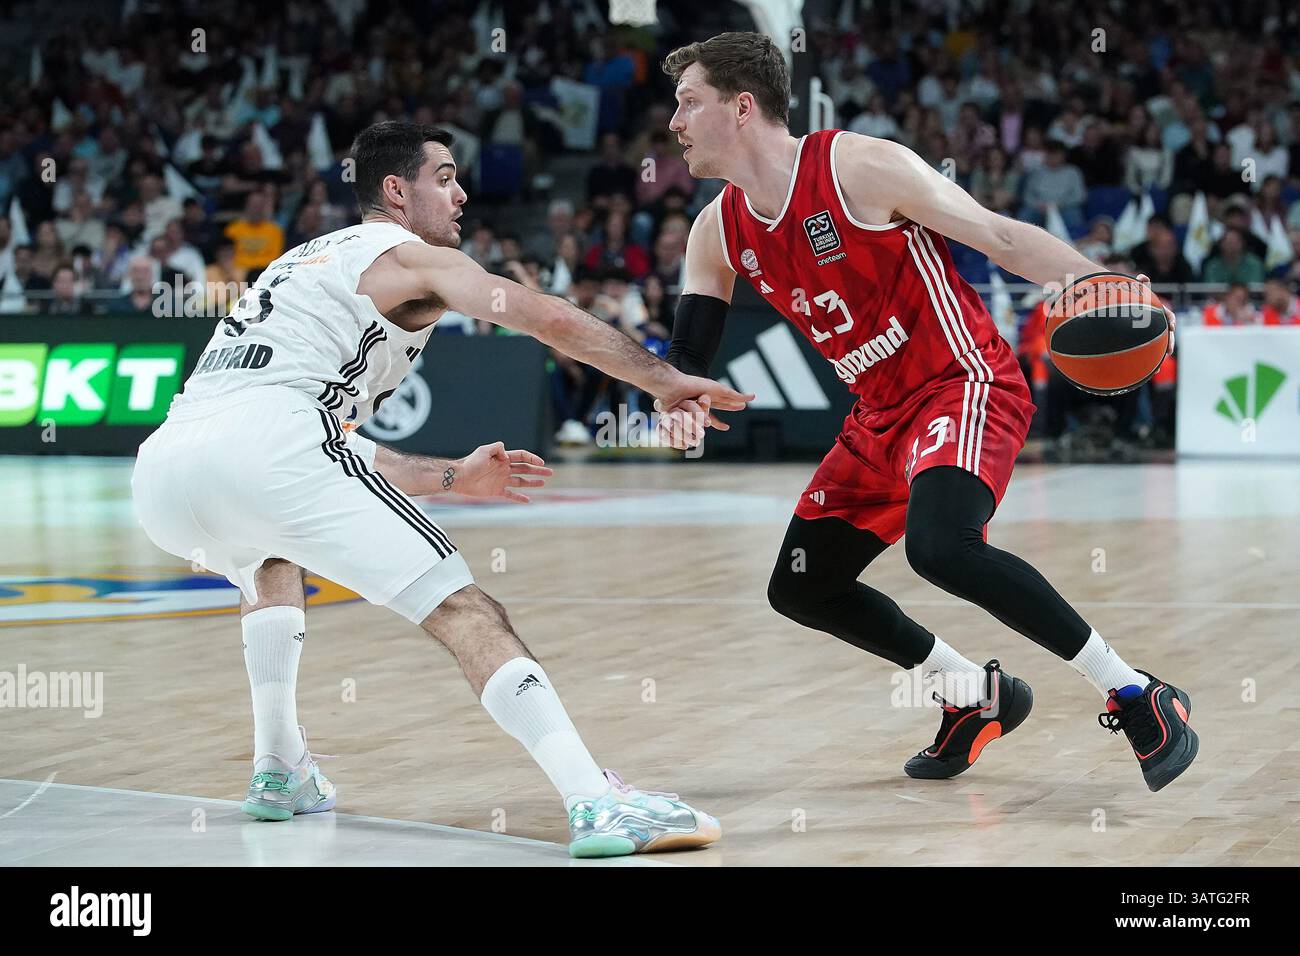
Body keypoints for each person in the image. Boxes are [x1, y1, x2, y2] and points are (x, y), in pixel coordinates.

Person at [131, 122, 748, 857]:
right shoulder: (409, 258)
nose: (461, 195)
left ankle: (279, 769)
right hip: (271, 446)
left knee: (268, 558)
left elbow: (309, 447)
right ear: (397, 189)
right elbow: (538, 314)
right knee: (465, 608)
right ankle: (595, 801)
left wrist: (451, 478)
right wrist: (665, 379)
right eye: (445, 177)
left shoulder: (300, 261)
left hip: (165, 470)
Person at [657, 32, 1197, 792]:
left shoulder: (858, 167)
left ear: (742, 107)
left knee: (941, 547)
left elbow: (999, 236)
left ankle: (1138, 692)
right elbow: (688, 351)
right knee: (801, 587)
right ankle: (976, 697)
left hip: (961, 381)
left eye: (688, 102)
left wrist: (1091, 278)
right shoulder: (717, 229)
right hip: (876, 418)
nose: (674, 122)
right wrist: (677, 396)